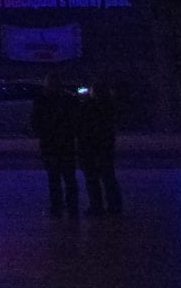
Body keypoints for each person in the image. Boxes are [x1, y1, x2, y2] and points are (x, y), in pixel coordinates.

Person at [30, 73, 80, 216]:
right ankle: (72, 206)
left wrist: (41, 132)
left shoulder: (41, 100)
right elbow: (75, 120)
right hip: (65, 143)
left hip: (50, 143)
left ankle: (57, 207)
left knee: (54, 178)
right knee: (68, 177)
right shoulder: (68, 100)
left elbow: (35, 121)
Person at [77, 83, 122, 216]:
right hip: (101, 146)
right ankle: (112, 206)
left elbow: (83, 126)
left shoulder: (89, 106)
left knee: (95, 178)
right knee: (106, 177)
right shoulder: (108, 106)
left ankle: (98, 206)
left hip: (92, 146)